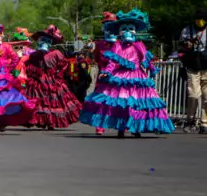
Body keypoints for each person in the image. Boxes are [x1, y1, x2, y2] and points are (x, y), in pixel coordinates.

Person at [79, 9, 174, 137]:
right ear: (119, 31)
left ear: (135, 30)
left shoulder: (139, 45)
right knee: (122, 103)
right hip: (121, 77)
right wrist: (107, 72)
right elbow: (112, 61)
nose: (128, 32)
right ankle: (121, 127)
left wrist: (152, 69)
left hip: (137, 77)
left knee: (138, 103)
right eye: (124, 29)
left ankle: (136, 127)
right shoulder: (117, 46)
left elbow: (146, 59)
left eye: (130, 28)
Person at [24, 25, 81, 130]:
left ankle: (51, 122)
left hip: (52, 80)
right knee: (40, 100)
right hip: (38, 80)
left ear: (51, 43)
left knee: (53, 100)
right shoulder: (34, 55)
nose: (44, 42)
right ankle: (42, 120)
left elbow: (64, 64)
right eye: (42, 40)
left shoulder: (56, 53)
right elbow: (30, 67)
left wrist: (57, 74)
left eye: (47, 40)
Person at [179, 9, 207, 133]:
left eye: (202, 19)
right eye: (197, 19)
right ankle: (190, 120)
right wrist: (188, 44)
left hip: (205, 67)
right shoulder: (187, 30)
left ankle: (204, 123)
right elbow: (180, 46)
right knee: (193, 94)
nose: (199, 21)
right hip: (192, 66)